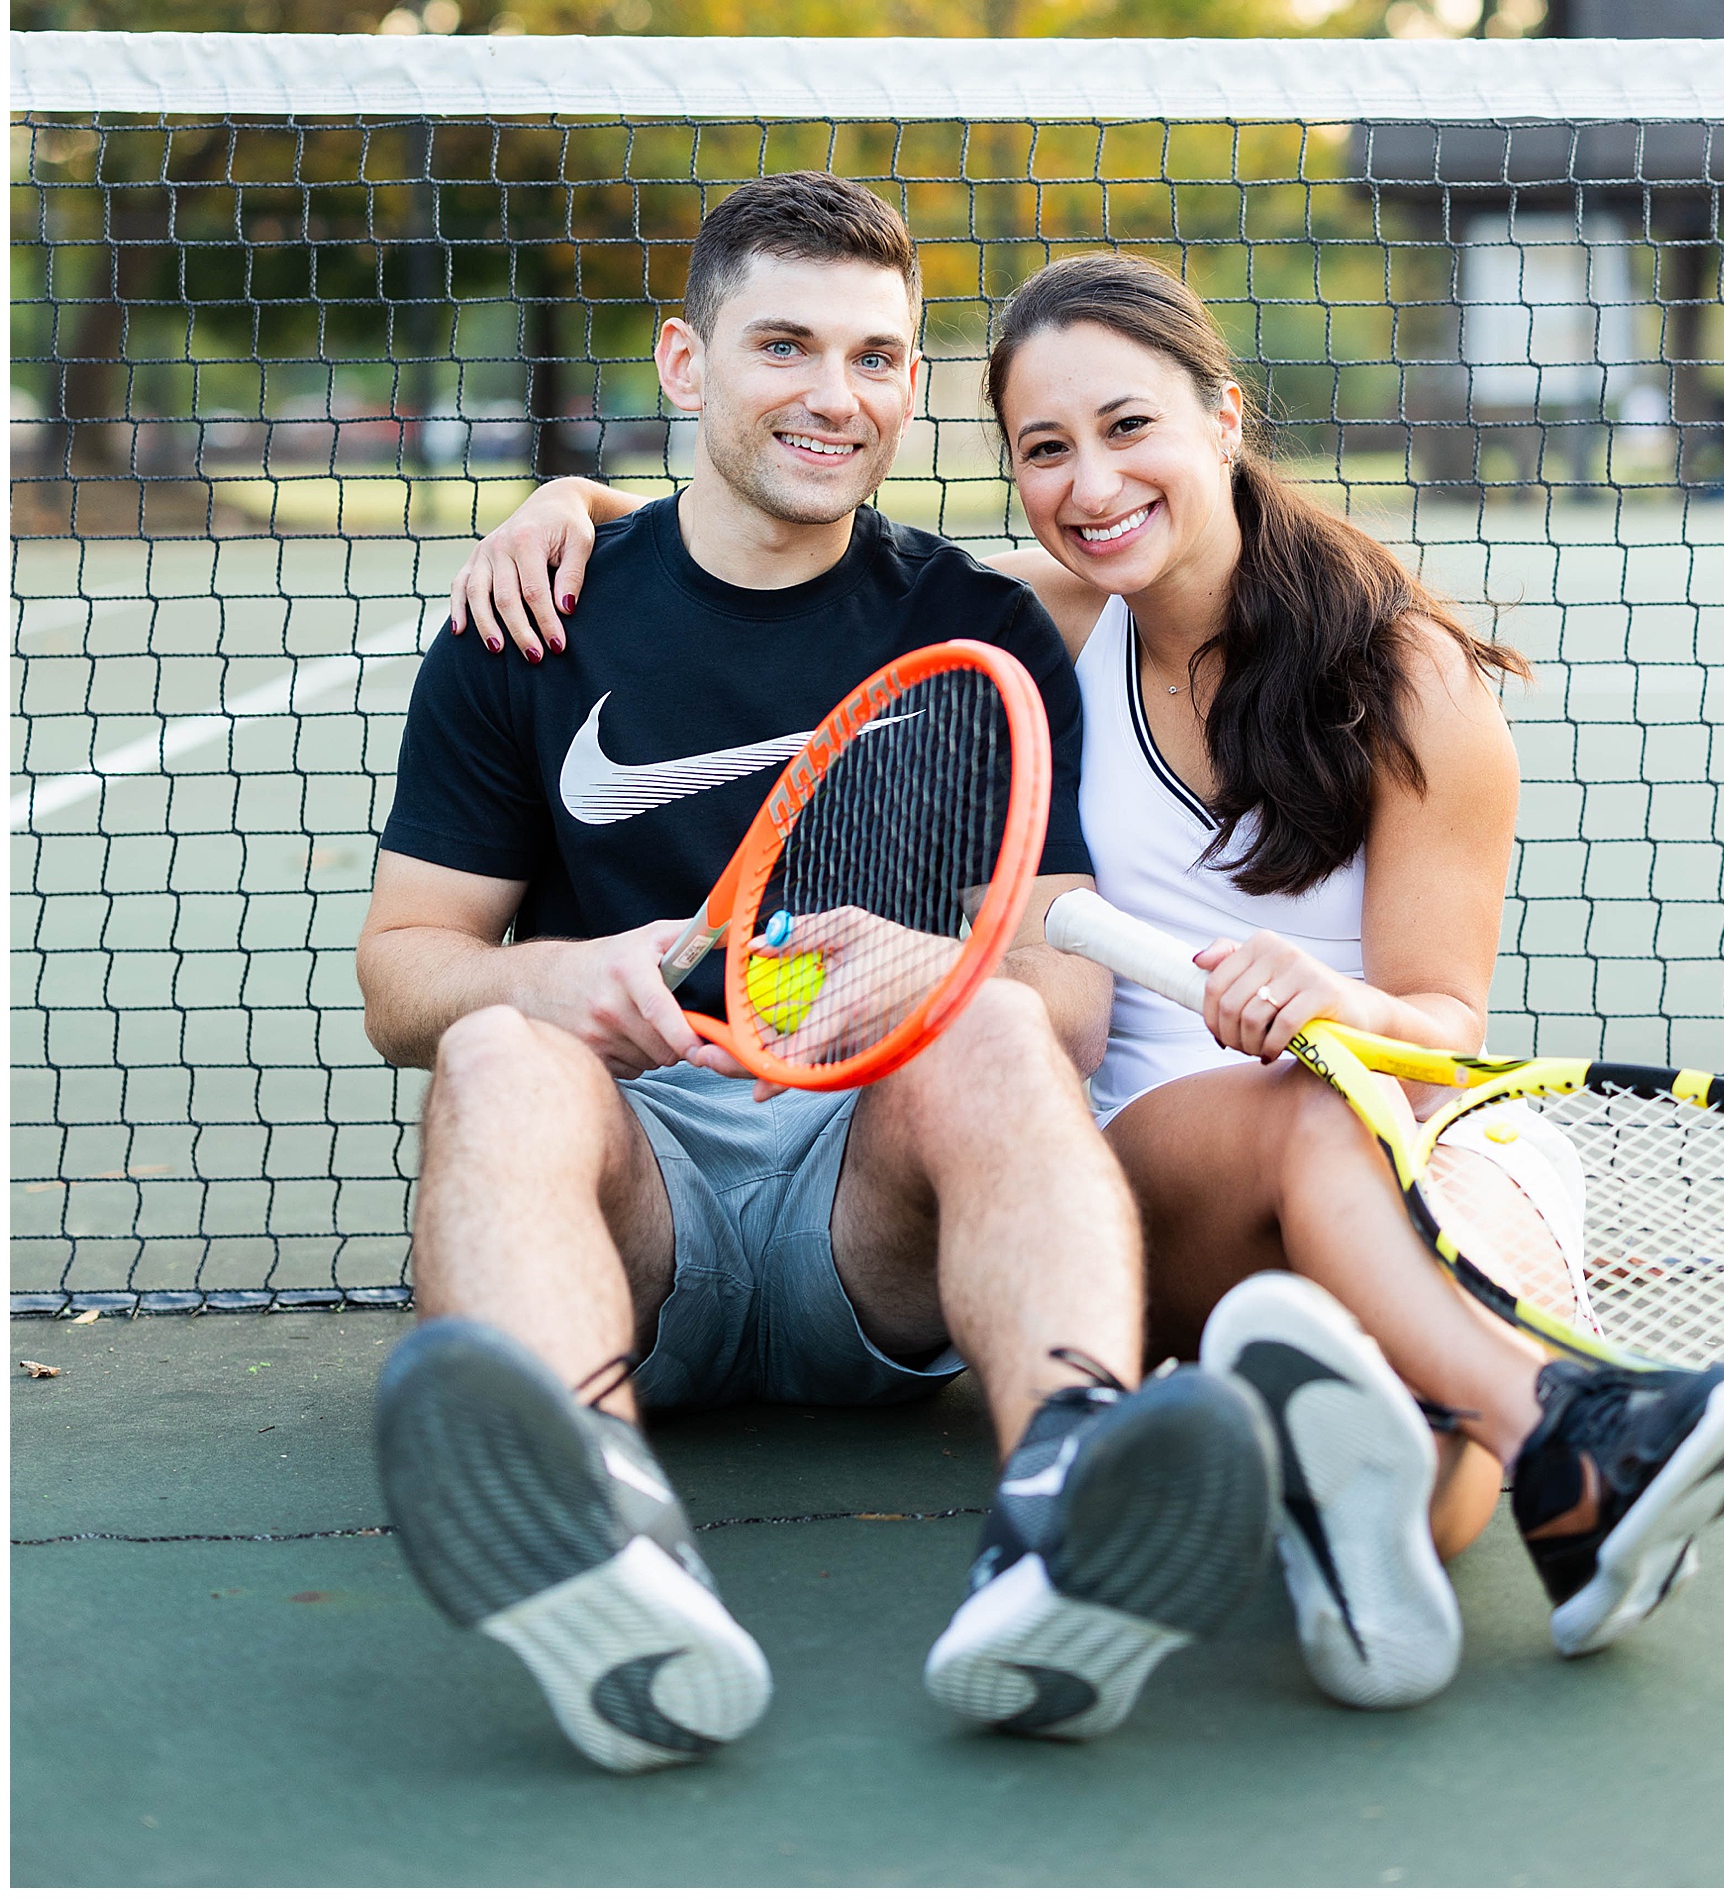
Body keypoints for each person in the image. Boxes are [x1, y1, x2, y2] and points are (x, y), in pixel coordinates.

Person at [459, 240, 1724, 1720]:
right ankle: (1570, 1429)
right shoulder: (1052, 622)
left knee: (1424, 1397)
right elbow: (770, 525)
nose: (1091, 485)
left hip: (1405, 1112)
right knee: (1299, 1121)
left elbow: (1441, 1030)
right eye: (1046, 449)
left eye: (1128, 427)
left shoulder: (1415, 684)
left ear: (1224, 415)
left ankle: (1374, 1517)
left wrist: (1336, 1004)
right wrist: (574, 505)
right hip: (1175, 1163)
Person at [360, 180, 1275, 1777]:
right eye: (783, 343)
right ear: (686, 360)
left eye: (875, 356)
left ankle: (1070, 1513)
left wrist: (941, 966)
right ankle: (602, 1538)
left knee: (994, 1015)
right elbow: (401, 976)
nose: (832, 395)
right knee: (499, 1050)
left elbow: (1068, 996)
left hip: (873, 1221)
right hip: (634, 1210)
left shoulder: (974, 620)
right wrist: (558, 977)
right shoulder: (532, 619)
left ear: (914, 385)